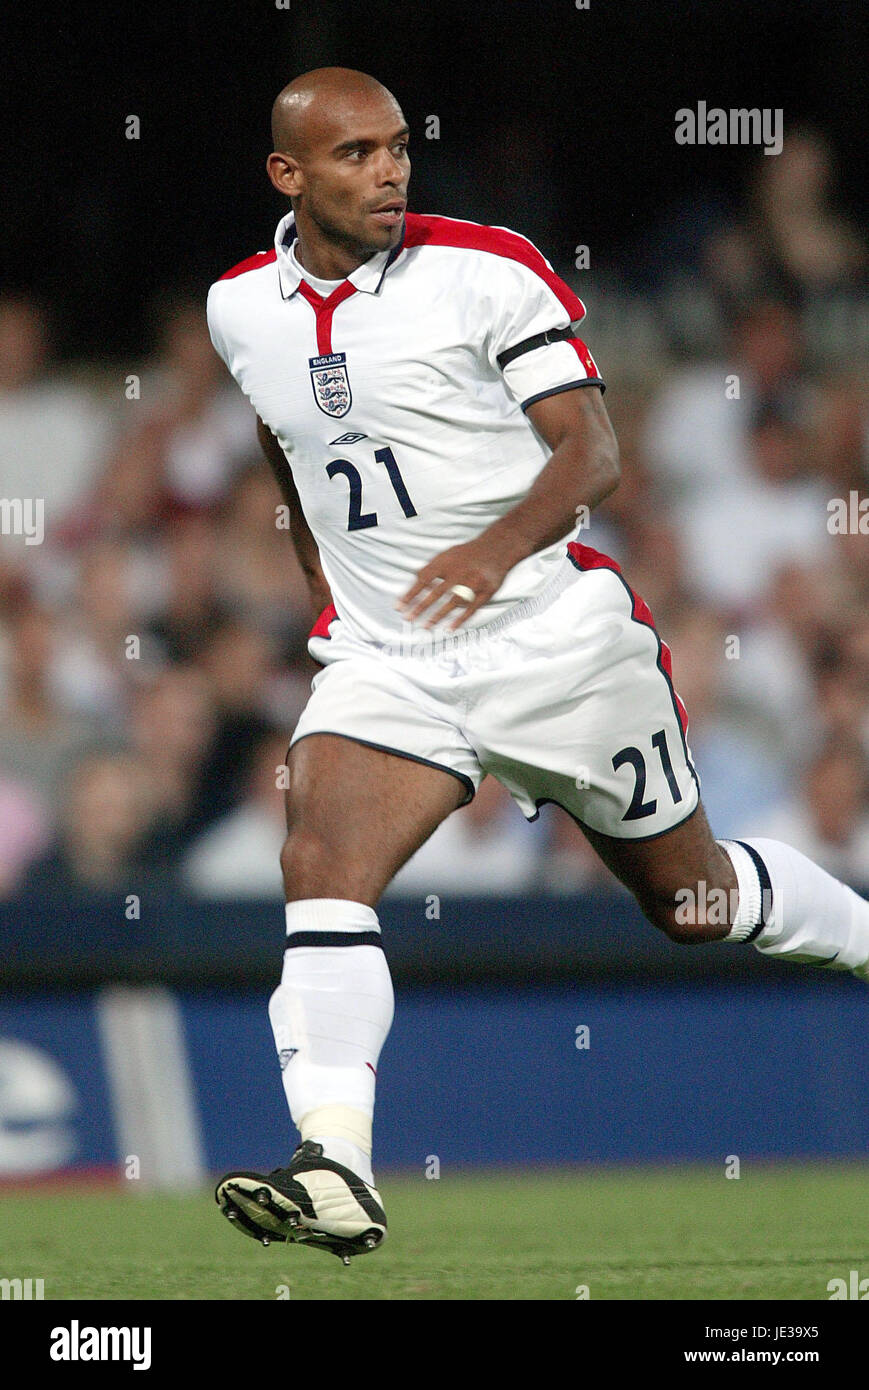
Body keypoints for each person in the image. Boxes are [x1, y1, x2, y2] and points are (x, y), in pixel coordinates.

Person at [206, 68, 869, 1265]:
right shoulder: (237, 308)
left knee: (690, 902)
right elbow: (285, 441)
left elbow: (591, 452)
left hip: (550, 640)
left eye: (398, 146)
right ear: (286, 176)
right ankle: (336, 1165)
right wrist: (324, 593)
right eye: (354, 154)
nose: (390, 170)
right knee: (319, 854)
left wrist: (490, 546)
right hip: (388, 655)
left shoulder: (484, 266)